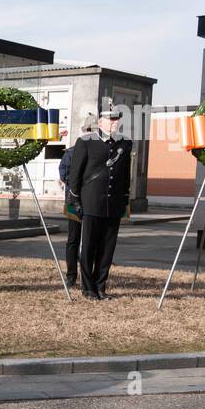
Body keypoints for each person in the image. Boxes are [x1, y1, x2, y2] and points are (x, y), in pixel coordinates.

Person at [67, 103, 132, 300]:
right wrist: (76, 201)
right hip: (91, 202)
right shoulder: (85, 142)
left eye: (117, 119)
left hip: (113, 205)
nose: (115, 122)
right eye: (111, 119)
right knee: (88, 247)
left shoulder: (125, 144)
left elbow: (125, 175)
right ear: (100, 122)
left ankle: (100, 286)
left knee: (107, 249)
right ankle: (88, 288)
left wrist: (125, 200)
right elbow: (75, 176)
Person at [57, 113, 96, 288]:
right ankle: (71, 275)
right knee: (74, 239)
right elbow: (64, 174)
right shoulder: (72, 152)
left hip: (92, 202)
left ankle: (86, 277)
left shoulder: (101, 152)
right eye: (90, 130)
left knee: (89, 241)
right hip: (74, 201)